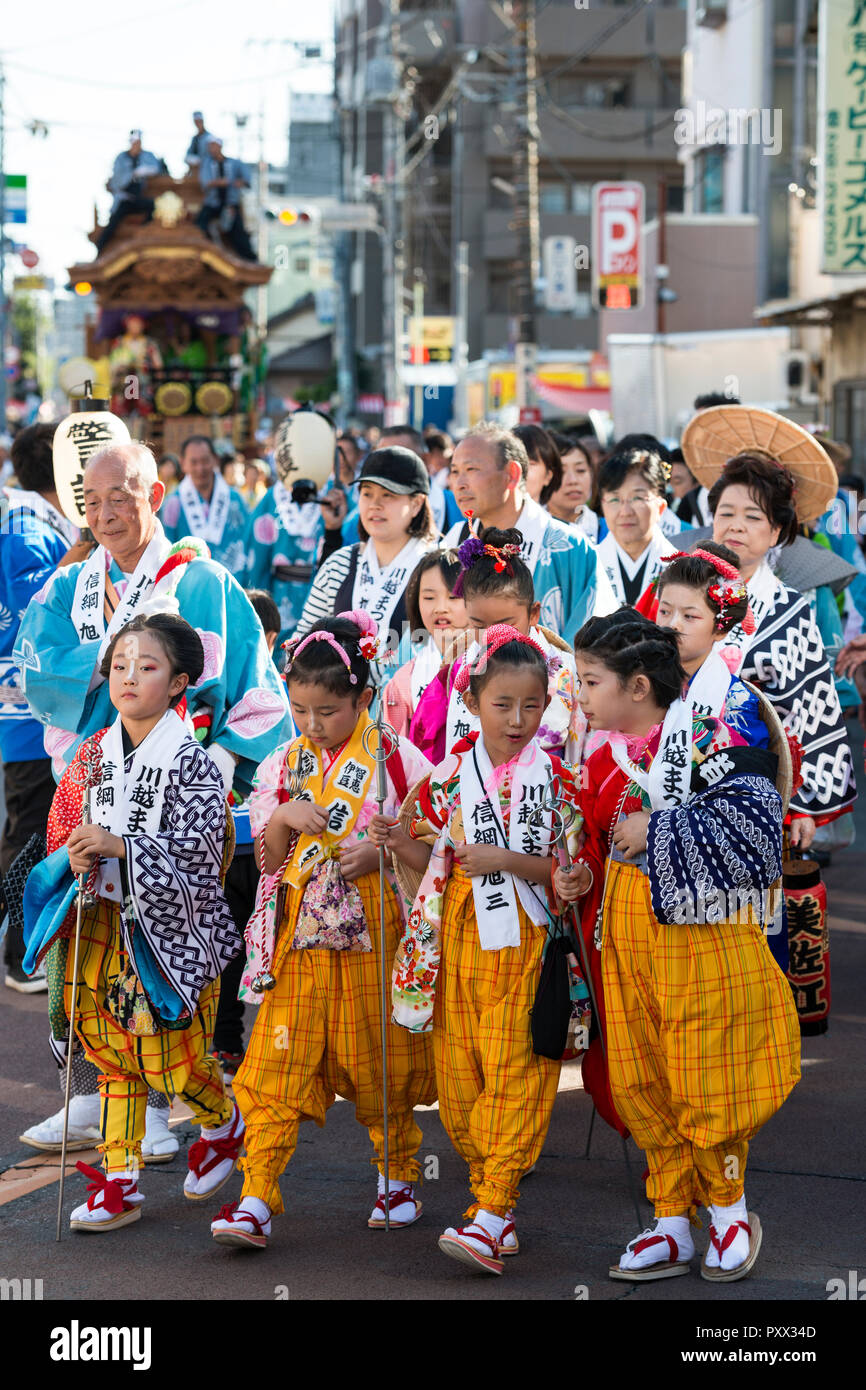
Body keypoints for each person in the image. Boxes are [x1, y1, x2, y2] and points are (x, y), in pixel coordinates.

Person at [14, 441, 292, 1155]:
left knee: (168, 942)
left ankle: (178, 1094)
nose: (105, 514)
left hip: (177, 794)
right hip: (92, 786)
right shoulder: (75, 586)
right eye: (93, 501)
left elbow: (259, 695)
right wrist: (107, 646)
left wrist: (207, 764)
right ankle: (88, 1091)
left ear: (156, 495)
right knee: (82, 942)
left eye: (121, 497)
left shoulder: (203, 582)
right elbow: (34, 666)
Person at [559, 610, 800, 1283]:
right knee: (642, 1073)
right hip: (630, 930)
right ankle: (669, 1220)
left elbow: (754, 829)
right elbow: (591, 835)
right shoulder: (601, 751)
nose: (579, 694)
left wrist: (658, 830)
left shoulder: (712, 731)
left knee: (706, 1069)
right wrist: (577, 870)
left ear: (638, 687)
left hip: (703, 931)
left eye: (590, 681)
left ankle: (727, 1211)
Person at [211, 613, 435, 1249]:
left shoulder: (396, 758)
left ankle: (397, 1177)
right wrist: (282, 812)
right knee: (278, 1062)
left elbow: (429, 840)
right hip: (303, 934)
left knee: (380, 1059)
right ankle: (257, 1194)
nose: (312, 724)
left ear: (363, 698)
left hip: (377, 928)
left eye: (329, 711)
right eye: (301, 708)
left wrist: (383, 852)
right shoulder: (283, 761)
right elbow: (267, 853)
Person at [23, 614, 245, 1231]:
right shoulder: (93, 753)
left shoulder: (192, 762)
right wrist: (72, 853)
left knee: (168, 1060)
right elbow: (62, 826)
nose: (128, 676)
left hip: (162, 933)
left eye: (147, 667)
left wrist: (124, 846)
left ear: (178, 684)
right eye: (120, 664)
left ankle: (222, 1121)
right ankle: (121, 1179)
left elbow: (204, 852)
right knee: (111, 1052)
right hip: (98, 921)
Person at [390, 625, 587, 1275]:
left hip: (525, 945)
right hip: (459, 941)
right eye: (502, 704)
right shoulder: (449, 775)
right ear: (472, 702)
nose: (518, 718)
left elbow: (568, 873)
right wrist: (396, 840)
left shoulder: (557, 779)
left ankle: (496, 1207)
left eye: (532, 705)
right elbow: (423, 848)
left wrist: (515, 862)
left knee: (514, 1075)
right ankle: (487, 1200)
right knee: (460, 1081)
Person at [694, 451, 856, 848]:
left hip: (760, 782)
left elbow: (810, 708)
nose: (735, 526)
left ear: (776, 531)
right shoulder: (679, 590)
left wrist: (801, 804)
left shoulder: (789, 607)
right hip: (680, 772)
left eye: (752, 517)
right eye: (726, 513)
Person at [1, 425, 79, 992]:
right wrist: (74, 562)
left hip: (33, 708)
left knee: (29, 825)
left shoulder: (26, 518)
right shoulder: (28, 527)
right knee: (30, 828)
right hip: (27, 714)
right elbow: (35, 610)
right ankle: (17, 954)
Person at [443, 422, 615, 644]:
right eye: (455, 472)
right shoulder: (452, 546)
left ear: (512, 474)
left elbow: (596, 638)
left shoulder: (570, 546)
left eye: (471, 470)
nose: (460, 483)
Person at [422, 528, 581, 765]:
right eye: (478, 624)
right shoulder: (456, 672)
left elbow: (582, 748)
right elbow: (432, 745)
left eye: (504, 623)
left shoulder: (567, 670)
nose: (490, 635)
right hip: (473, 791)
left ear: (533, 613)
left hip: (546, 791)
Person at [209, 589, 281, 1082]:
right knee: (228, 946)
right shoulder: (201, 690)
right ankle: (226, 1045)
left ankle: (278, 1047)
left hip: (265, 848)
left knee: (273, 943)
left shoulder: (277, 696)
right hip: (223, 843)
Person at [291, 447, 438, 677]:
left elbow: (451, 648)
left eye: (388, 495)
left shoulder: (437, 569)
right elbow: (303, 644)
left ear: (417, 503)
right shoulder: (338, 565)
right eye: (367, 493)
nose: (374, 504)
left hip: (412, 708)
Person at [381, 548, 467, 738]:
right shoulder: (404, 681)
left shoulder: (496, 664)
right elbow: (394, 756)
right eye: (429, 598)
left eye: (453, 597)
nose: (440, 608)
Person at [244, 464, 323, 648]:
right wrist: (259, 600)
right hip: (279, 593)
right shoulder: (273, 497)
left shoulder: (332, 494)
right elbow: (257, 551)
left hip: (319, 590)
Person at [596, 446, 678, 606]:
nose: (625, 511)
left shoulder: (680, 569)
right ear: (603, 507)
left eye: (637, 498)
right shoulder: (589, 565)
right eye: (614, 499)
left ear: (660, 507)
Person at [161, 434, 249, 576]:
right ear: (183, 464)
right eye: (194, 462)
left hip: (233, 584)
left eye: (205, 461)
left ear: (215, 459)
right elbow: (166, 549)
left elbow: (248, 541)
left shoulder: (235, 499)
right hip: (190, 586)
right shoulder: (173, 503)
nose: (200, 468)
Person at [381, 425, 462, 535]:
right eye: (380, 458)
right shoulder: (366, 516)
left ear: (425, 459)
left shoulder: (459, 509)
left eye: (399, 458)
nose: (387, 467)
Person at [96, 130, 162, 256]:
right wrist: (132, 174)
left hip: (139, 198)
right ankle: (100, 249)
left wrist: (145, 170)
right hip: (124, 199)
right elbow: (116, 181)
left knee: (154, 206)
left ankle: (142, 234)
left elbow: (156, 168)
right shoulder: (121, 158)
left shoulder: (147, 156)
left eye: (138, 142)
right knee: (113, 223)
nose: (136, 145)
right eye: (134, 142)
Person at [196, 137, 256, 262]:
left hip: (230, 203)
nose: (211, 149)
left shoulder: (234, 163)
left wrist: (240, 182)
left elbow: (247, 178)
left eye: (214, 146)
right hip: (212, 203)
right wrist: (220, 183)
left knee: (238, 229)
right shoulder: (206, 164)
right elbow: (205, 183)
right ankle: (202, 251)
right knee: (200, 224)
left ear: (220, 147)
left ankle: (249, 259)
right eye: (210, 146)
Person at [547, 432, 598, 539]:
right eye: (561, 472)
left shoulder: (608, 530)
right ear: (545, 477)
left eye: (580, 470)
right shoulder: (528, 532)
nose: (573, 481)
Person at [512, 424, 562, 509]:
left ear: (548, 476)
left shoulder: (552, 522)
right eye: (513, 462)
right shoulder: (483, 520)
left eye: (530, 463)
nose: (519, 470)